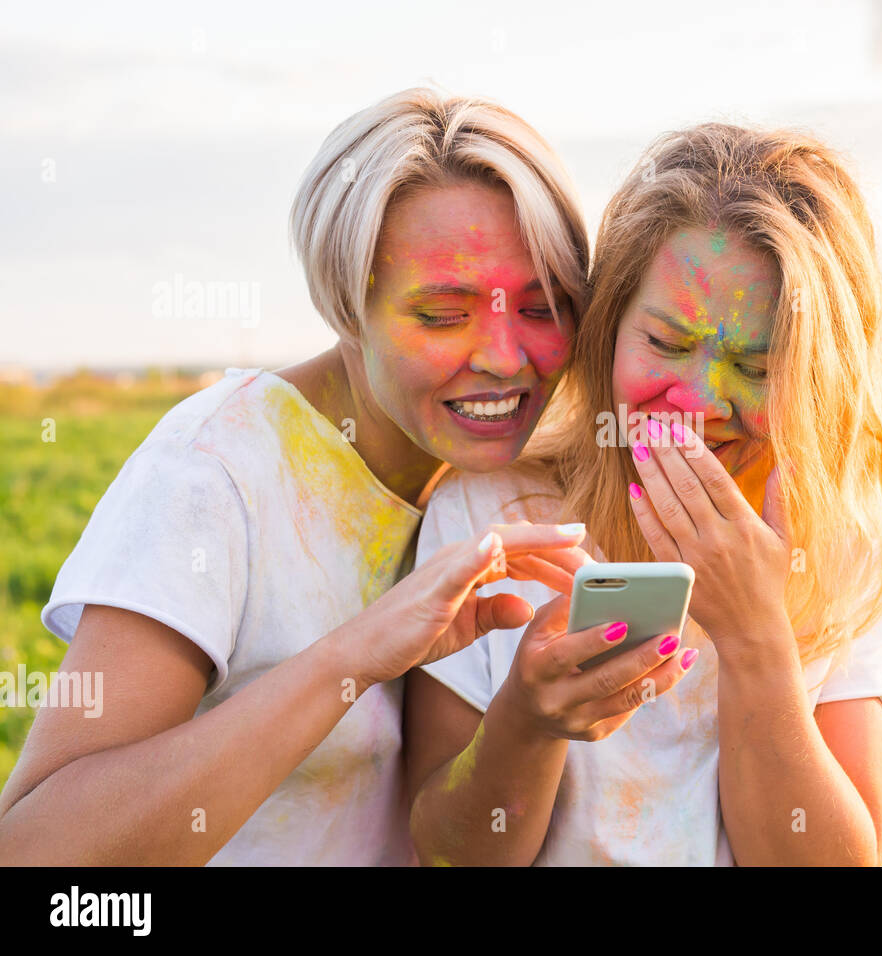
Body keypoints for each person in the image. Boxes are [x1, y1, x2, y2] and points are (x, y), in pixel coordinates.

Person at [0, 88, 602, 865]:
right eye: (443, 314)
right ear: (344, 307)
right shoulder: (216, 470)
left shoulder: (514, 484)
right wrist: (351, 657)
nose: (503, 355)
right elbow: (35, 851)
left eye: (543, 304)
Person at [405, 123, 882, 866]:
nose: (695, 401)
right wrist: (525, 721)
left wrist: (755, 641)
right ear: (609, 329)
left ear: (816, 376)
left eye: (755, 363)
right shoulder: (496, 511)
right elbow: (449, 853)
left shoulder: (849, 538)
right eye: (669, 343)